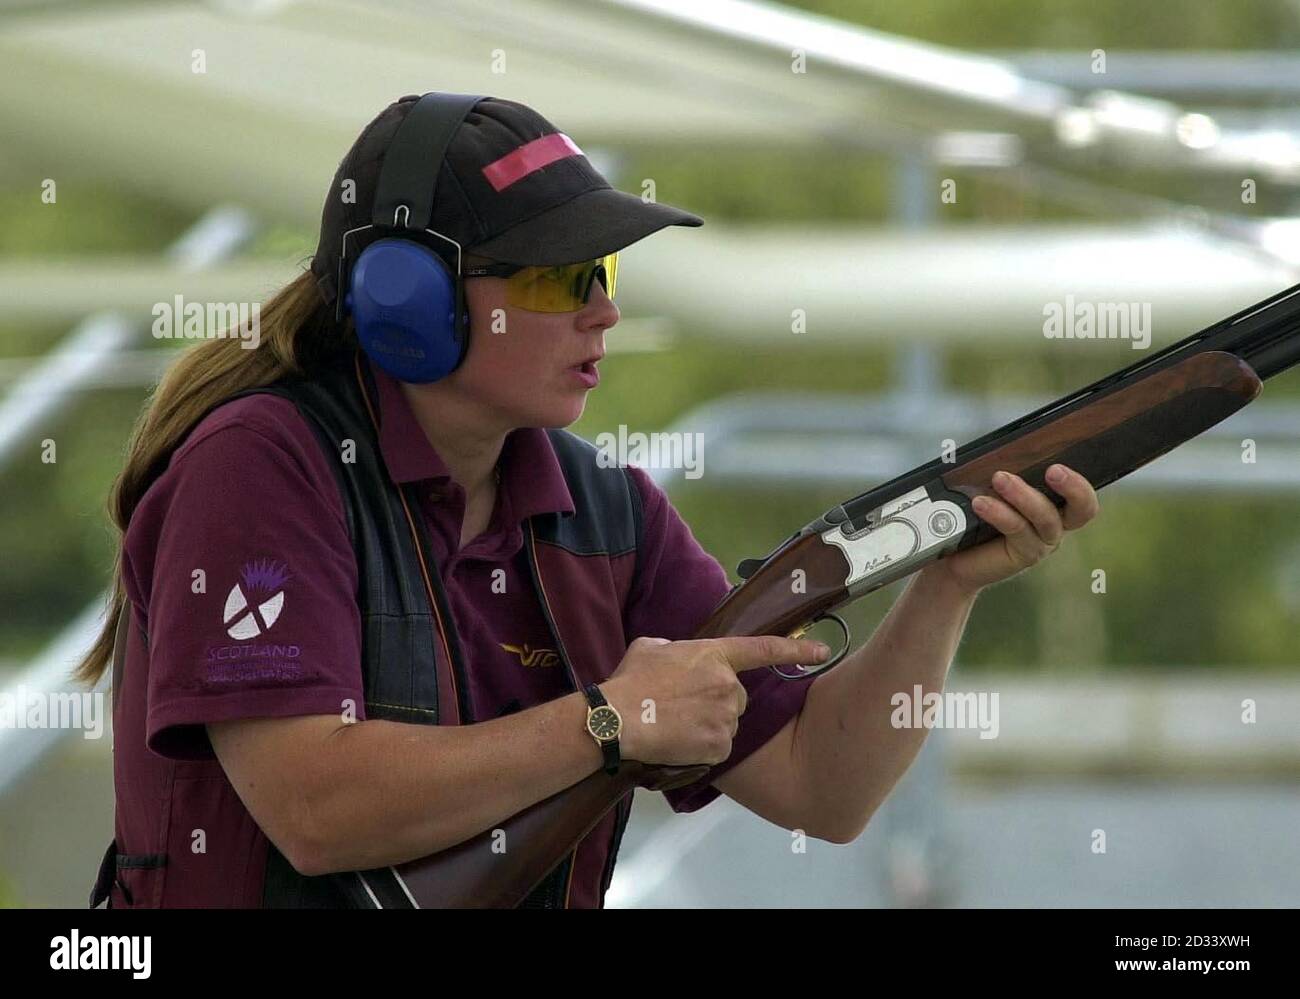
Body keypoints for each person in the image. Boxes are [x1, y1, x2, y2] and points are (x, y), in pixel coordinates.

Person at [78, 94, 1099, 909]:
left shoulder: (605, 512)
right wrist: (613, 721)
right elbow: (316, 804)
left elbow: (819, 787)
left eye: (600, 272)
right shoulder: (260, 466)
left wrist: (946, 587)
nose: (605, 311)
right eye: (562, 281)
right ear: (409, 302)